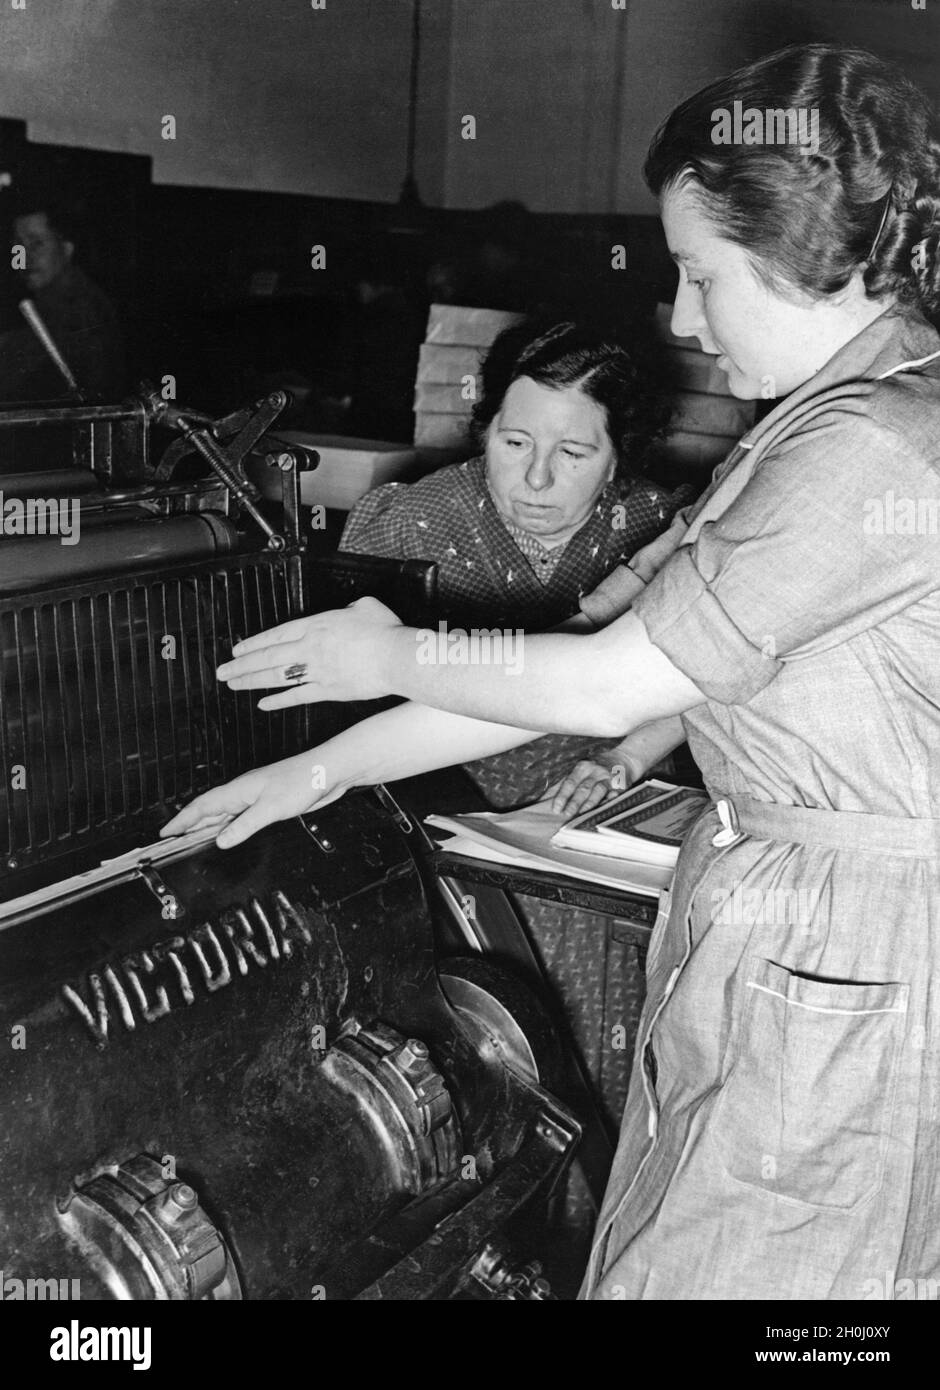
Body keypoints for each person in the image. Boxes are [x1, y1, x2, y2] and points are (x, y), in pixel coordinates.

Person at [164, 44, 940, 1301]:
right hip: (795, 932)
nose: (682, 319)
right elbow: (584, 664)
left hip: (854, 951)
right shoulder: (820, 422)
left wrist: (385, 648)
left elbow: (604, 685)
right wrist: (317, 769)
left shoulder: (873, 446)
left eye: (701, 275)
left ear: (809, 258)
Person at [342, 316, 683, 632]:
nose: (537, 478)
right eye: (517, 443)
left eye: (571, 452)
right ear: (486, 433)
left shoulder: (658, 527)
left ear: (617, 459)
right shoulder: (413, 521)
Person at [0, 200, 124, 401]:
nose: (25, 257)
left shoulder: (80, 307)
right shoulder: (47, 300)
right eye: (19, 247)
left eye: (37, 243)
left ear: (67, 248)